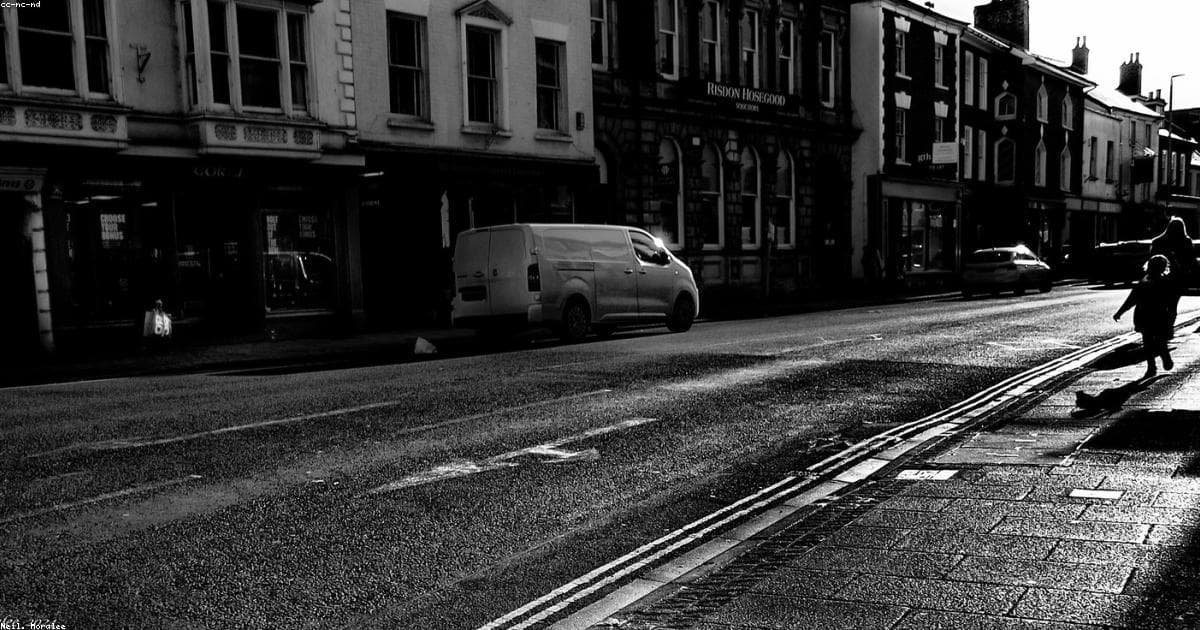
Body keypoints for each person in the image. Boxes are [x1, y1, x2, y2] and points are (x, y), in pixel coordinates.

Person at [1114, 254, 1178, 378]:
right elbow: (1171, 302)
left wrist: (1120, 312)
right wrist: (1171, 316)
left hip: (1144, 315)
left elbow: (1131, 300)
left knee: (1148, 342)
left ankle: (1152, 366)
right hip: (1159, 315)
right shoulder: (1166, 282)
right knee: (1160, 340)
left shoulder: (1144, 282)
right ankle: (1164, 357)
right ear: (1164, 267)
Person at [1150, 216, 1197, 289]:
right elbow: (1191, 259)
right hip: (1181, 273)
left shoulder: (1157, 241)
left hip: (1161, 273)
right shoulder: (1186, 241)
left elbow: (1153, 259)